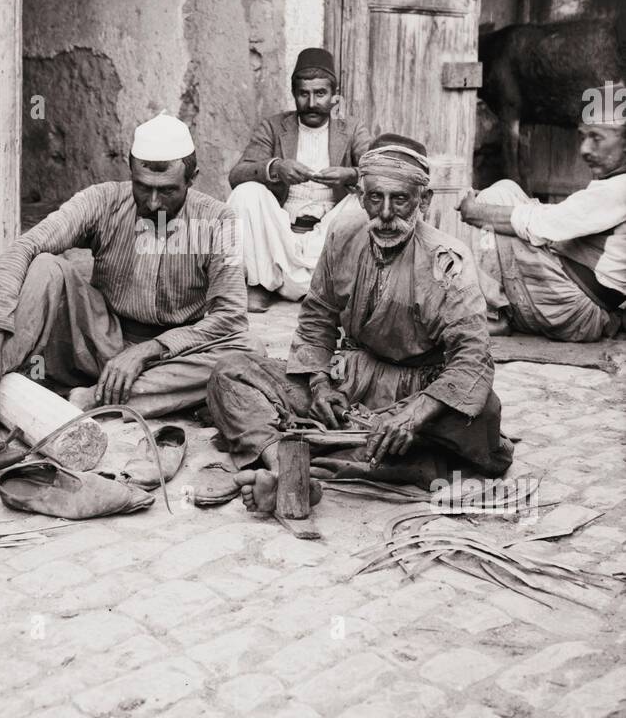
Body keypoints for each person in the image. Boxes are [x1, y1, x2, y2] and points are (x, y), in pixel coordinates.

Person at [208, 134, 513, 491]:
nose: (385, 214)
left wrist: (411, 417)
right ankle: (285, 462)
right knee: (231, 371)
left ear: (423, 200)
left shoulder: (449, 261)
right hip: (351, 379)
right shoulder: (342, 235)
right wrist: (321, 386)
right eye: (375, 198)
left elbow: (472, 360)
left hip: (422, 389)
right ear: (360, 197)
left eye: (400, 199)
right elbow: (317, 319)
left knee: (483, 414)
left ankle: (318, 456)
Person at [0, 113, 250, 421]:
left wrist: (148, 349)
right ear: (131, 170)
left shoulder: (220, 221)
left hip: (173, 355)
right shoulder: (103, 200)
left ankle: (94, 397)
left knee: (243, 351)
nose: (152, 203)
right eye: (142, 187)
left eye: (167, 191)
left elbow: (230, 317)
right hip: (99, 342)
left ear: (192, 178)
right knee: (44, 265)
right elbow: (25, 246)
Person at [459, 86, 626, 341]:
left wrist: (476, 212)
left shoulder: (620, 189)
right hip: (579, 306)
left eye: (597, 137)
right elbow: (558, 218)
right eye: (583, 136)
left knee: (493, 201)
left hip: (572, 310)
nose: (584, 149)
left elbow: (544, 225)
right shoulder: (615, 186)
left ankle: (492, 315)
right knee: (507, 189)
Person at [227, 47, 371, 311]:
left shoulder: (351, 131)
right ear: (294, 95)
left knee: (364, 205)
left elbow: (378, 172)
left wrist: (350, 175)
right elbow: (237, 175)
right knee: (245, 193)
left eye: (320, 94)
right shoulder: (273, 127)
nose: (312, 103)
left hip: (328, 234)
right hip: (282, 233)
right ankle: (261, 283)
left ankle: (321, 286)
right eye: (304, 94)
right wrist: (275, 167)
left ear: (334, 98)